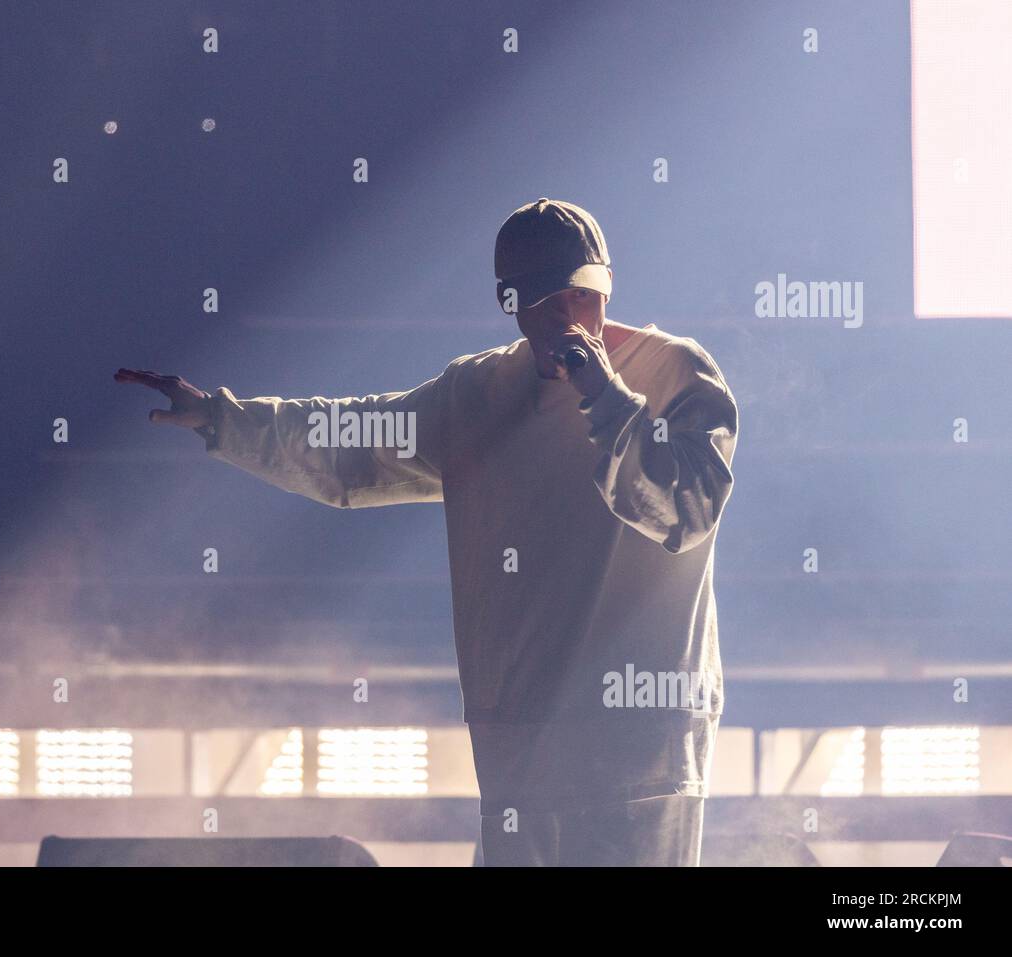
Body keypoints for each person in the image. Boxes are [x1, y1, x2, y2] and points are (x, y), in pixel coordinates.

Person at [115, 198, 739, 866]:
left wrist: (605, 394)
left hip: (636, 756)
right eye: (542, 302)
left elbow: (687, 505)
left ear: (603, 289)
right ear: (512, 304)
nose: (565, 318)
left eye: (578, 296)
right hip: (519, 754)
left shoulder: (674, 372)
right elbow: (350, 441)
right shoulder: (477, 396)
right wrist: (221, 418)